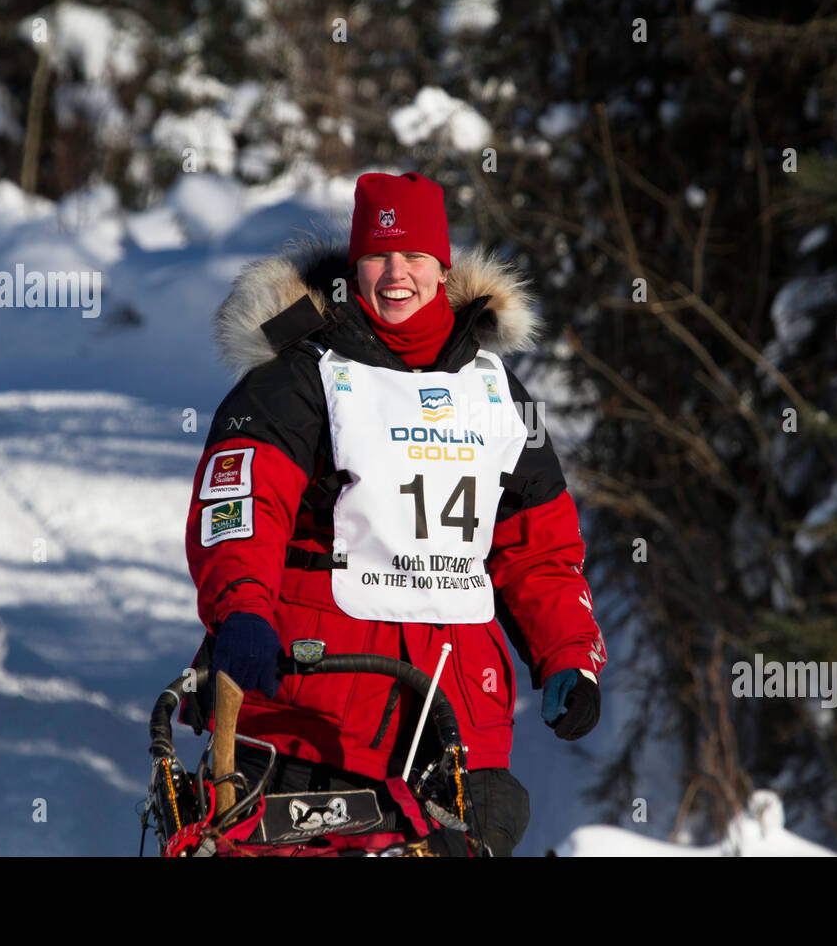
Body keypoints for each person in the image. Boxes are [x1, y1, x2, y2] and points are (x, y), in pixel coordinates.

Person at [183, 170, 606, 856]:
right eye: (378, 257)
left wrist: (568, 657)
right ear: (356, 267)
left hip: (457, 711)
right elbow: (242, 509)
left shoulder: (495, 390)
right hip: (310, 703)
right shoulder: (297, 374)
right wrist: (243, 613)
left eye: (414, 257)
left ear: (443, 268)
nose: (396, 275)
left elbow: (537, 546)